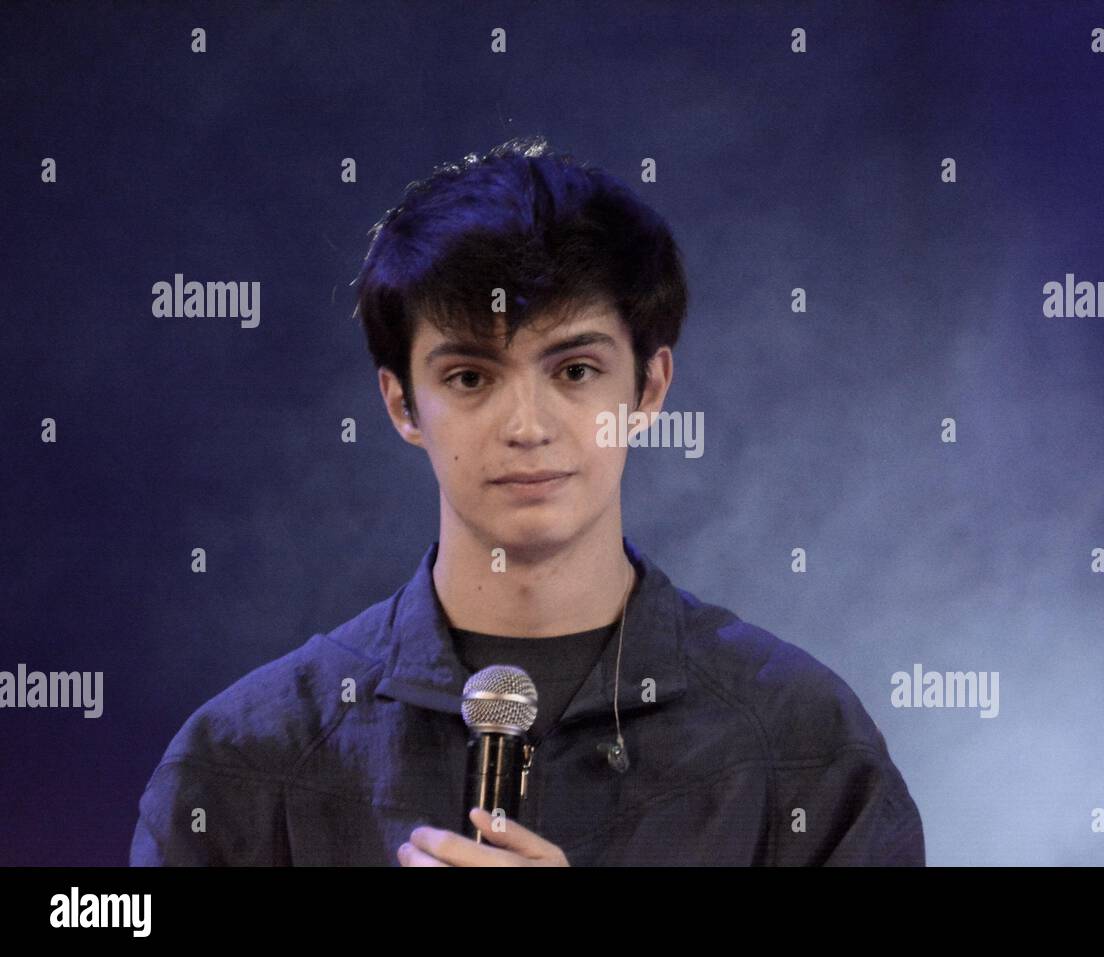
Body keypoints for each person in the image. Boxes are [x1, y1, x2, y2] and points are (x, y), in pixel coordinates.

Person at [128, 135, 925, 866]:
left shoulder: (803, 748)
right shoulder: (244, 760)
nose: (527, 426)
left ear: (648, 388)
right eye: (470, 377)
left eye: (574, 371)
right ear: (403, 404)